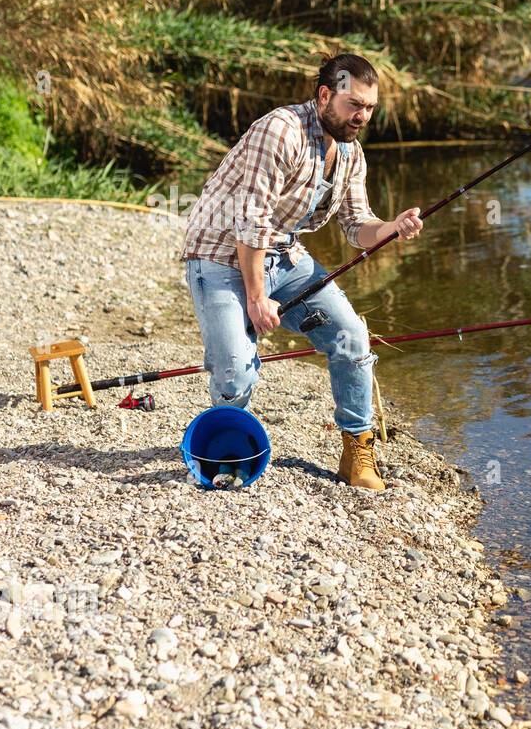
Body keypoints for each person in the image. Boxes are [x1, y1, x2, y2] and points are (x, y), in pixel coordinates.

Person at [180, 53, 423, 490]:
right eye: (354, 105)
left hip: (282, 255)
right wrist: (257, 298)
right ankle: (229, 445)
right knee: (235, 370)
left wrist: (392, 228)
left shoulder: (351, 153)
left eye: (369, 108)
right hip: (218, 256)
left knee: (351, 336)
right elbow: (251, 219)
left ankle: (357, 450)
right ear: (325, 94)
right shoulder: (281, 130)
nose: (362, 116)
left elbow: (356, 225)